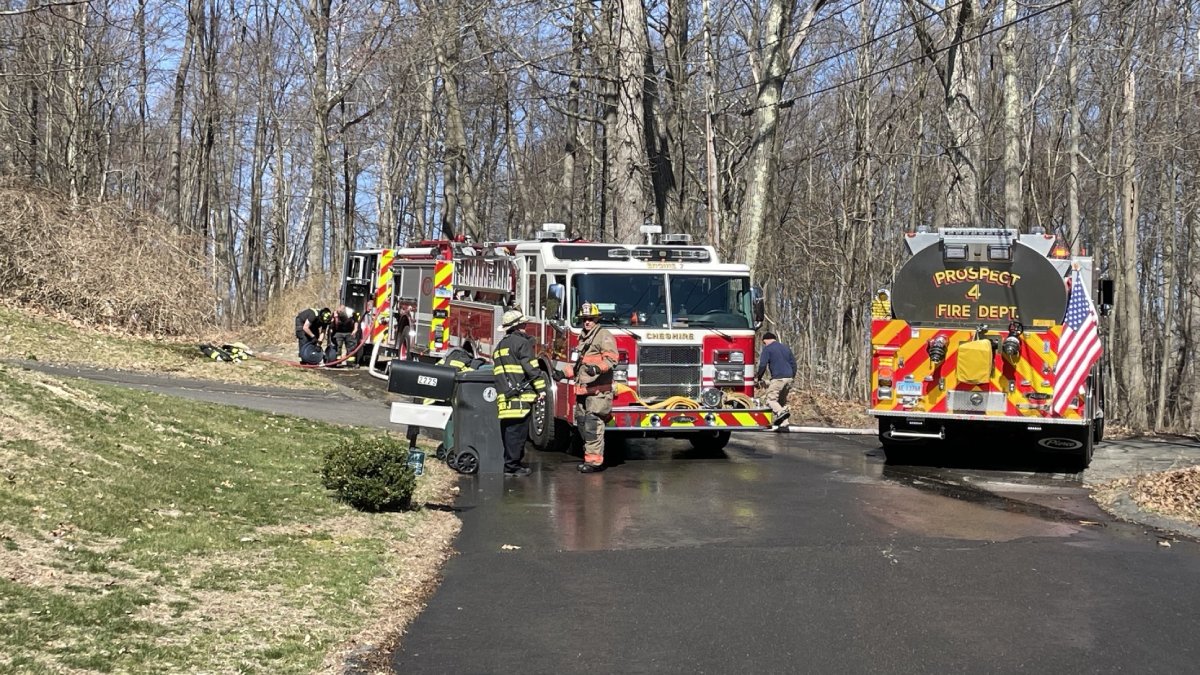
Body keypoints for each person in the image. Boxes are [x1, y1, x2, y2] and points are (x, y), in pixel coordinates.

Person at [492, 310, 547, 477]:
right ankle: (512, 467)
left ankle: (510, 463)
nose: (525, 326)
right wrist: (541, 389)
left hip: (505, 398)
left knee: (508, 432)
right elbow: (531, 369)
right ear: (518, 326)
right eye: (524, 323)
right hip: (520, 398)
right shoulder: (522, 343)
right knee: (517, 434)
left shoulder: (499, 347)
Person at [573, 301, 618, 473]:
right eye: (584, 319)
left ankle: (594, 462)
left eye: (590, 319)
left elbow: (612, 359)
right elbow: (580, 364)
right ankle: (589, 457)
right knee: (582, 423)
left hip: (598, 392)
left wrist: (598, 368)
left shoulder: (603, 335)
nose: (587, 322)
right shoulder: (583, 337)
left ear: (597, 319)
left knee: (592, 425)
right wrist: (562, 373)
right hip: (583, 390)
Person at [755, 331, 796, 428]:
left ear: (766, 340)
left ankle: (781, 413)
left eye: (764, 342)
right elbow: (794, 364)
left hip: (778, 378)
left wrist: (758, 377)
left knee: (770, 400)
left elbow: (763, 365)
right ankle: (784, 424)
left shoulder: (768, 349)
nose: (764, 344)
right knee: (781, 402)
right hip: (789, 378)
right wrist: (792, 376)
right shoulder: (785, 348)